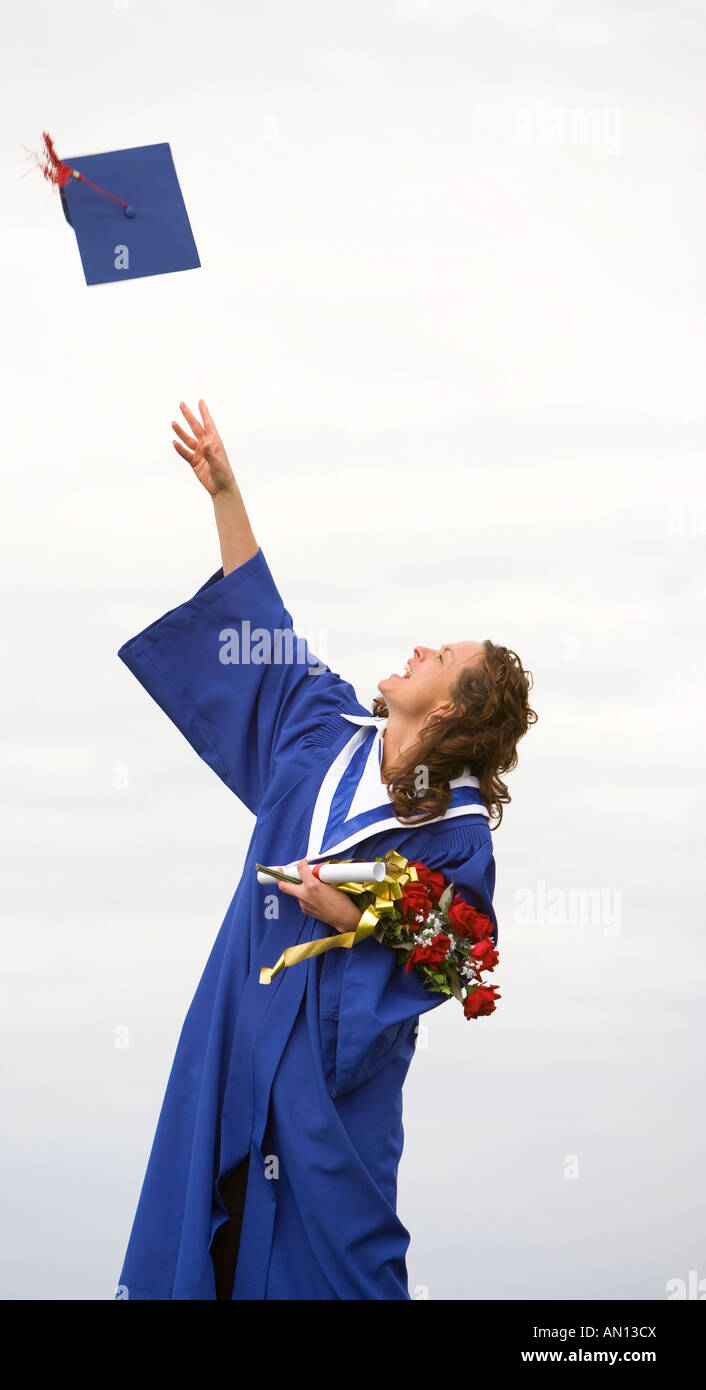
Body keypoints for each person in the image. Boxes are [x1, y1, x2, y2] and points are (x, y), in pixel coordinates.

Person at [114, 400, 536, 1300]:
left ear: (453, 708)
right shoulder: (322, 733)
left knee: (337, 1265)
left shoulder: (453, 832)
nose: (418, 647)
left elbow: (462, 957)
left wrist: (358, 917)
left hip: (329, 1082)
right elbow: (263, 630)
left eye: (440, 656)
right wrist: (226, 493)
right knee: (202, 1240)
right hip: (236, 1021)